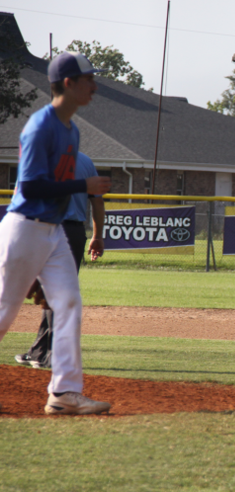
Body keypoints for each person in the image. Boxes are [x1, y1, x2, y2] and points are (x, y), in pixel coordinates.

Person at [0, 51, 112, 415]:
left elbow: (58, 189)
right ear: (68, 83)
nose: (94, 86)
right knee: (4, 310)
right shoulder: (40, 127)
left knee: (67, 303)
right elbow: (30, 188)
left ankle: (63, 394)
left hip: (53, 233)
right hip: (24, 228)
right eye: (88, 79)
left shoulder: (72, 130)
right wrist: (85, 183)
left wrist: (44, 262)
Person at [15, 152, 105, 370]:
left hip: (43, 229)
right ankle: (41, 352)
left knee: (48, 294)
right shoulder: (85, 161)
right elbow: (97, 202)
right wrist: (98, 236)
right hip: (72, 233)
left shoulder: (39, 158)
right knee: (54, 293)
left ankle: (49, 355)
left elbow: (23, 197)